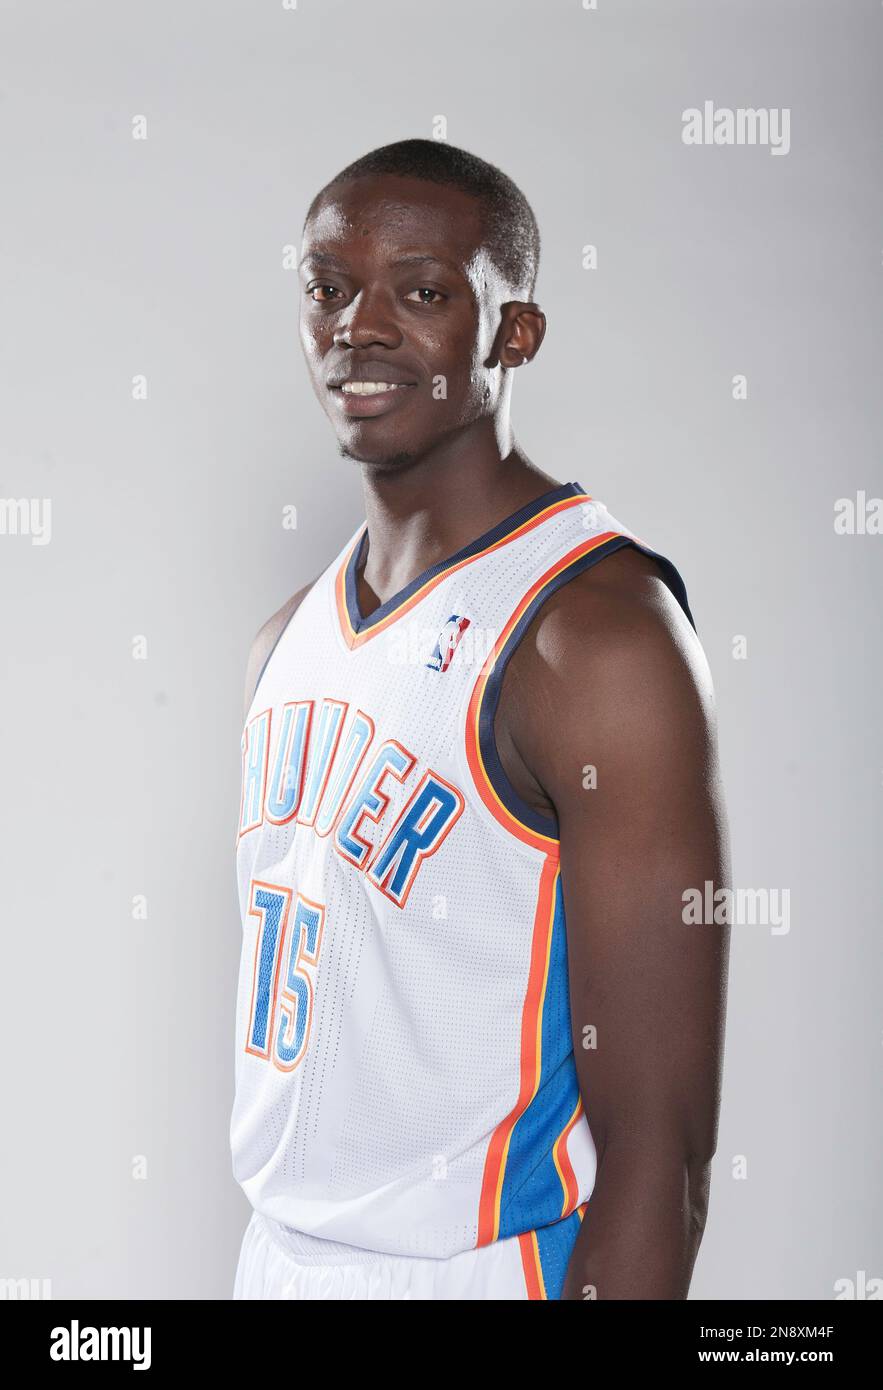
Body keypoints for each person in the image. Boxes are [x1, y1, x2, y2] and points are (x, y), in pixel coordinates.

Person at [230, 138, 730, 1300]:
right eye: (326, 286)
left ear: (514, 335)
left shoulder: (595, 638)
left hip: (476, 1273)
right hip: (275, 1263)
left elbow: (663, 1160)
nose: (358, 324)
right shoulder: (284, 641)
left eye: (422, 291)